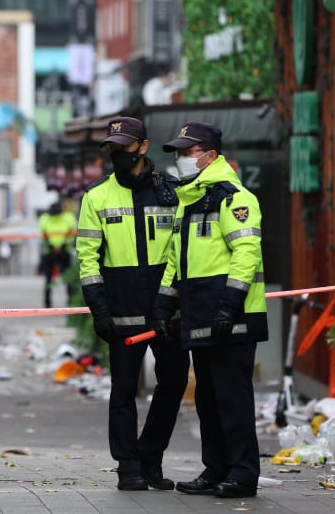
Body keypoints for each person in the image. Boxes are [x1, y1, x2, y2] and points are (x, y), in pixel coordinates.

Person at [152, 121, 267, 499]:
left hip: (230, 317)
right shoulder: (190, 199)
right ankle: (215, 469)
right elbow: (176, 260)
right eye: (179, 153)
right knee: (208, 400)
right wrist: (164, 304)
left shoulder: (233, 197)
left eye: (187, 152)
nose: (181, 159)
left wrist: (228, 307)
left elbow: (246, 255)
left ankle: (242, 474)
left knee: (233, 399)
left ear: (210, 156)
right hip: (200, 317)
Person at [76, 116, 189, 491]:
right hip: (122, 311)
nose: (115, 154)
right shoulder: (97, 197)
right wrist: (100, 310)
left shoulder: (173, 191)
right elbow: (88, 259)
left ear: (142, 146)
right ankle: (128, 466)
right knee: (123, 390)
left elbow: (181, 251)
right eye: (111, 148)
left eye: (123, 147)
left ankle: (150, 457)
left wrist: (173, 301)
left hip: (167, 309)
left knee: (172, 383)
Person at [37, 199, 77, 307]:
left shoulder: (44, 219)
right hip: (58, 251)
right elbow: (71, 234)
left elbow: (42, 235)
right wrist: (61, 246)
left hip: (53, 251)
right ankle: (69, 303)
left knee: (52, 279)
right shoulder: (68, 218)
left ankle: (48, 303)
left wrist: (53, 246)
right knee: (64, 278)